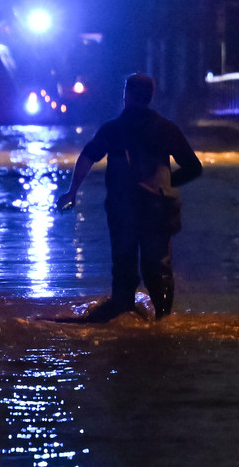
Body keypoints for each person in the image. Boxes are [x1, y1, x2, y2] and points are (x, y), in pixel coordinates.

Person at [56, 74, 202, 321]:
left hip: (123, 209)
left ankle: (121, 315)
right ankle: (163, 322)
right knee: (159, 268)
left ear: (127, 95)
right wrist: (166, 183)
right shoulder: (167, 129)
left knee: (124, 266)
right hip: (158, 207)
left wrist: (72, 191)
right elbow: (193, 167)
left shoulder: (114, 129)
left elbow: (88, 156)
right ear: (151, 97)